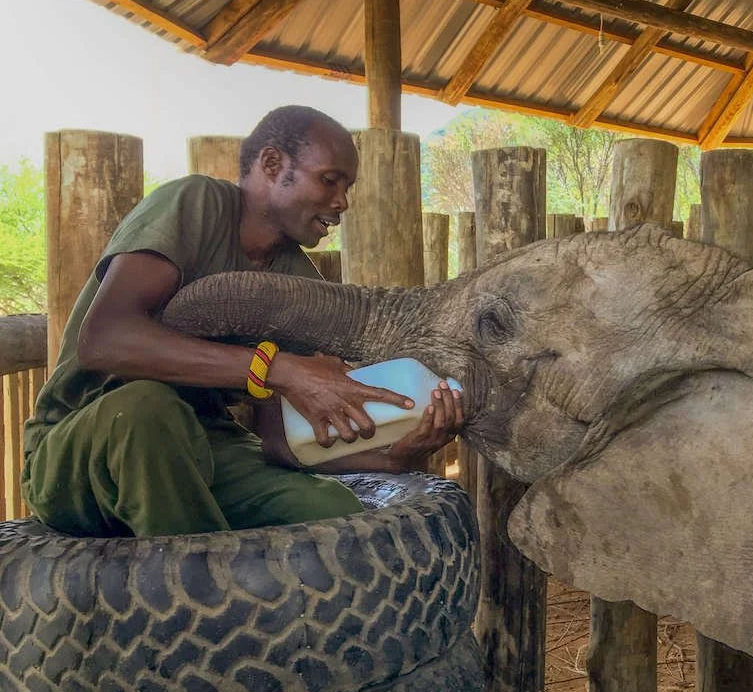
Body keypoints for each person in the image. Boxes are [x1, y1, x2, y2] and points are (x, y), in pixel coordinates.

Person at [22, 105, 463, 538]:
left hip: (208, 448)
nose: (342, 202)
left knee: (331, 509)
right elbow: (104, 340)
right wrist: (278, 369)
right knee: (146, 408)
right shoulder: (196, 203)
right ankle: (202, 595)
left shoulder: (298, 278)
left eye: (347, 186)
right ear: (272, 164)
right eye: (329, 180)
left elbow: (279, 442)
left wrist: (395, 458)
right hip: (86, 444)